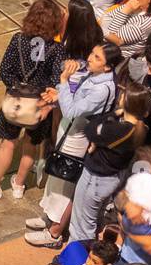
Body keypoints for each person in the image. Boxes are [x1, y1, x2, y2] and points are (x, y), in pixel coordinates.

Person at [0, 0, 66, 201]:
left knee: (9, 143)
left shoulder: (18, 40)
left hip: (17, 101)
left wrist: (18, 87)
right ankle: (19, 184)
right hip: (40, 104)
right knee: (31, 144)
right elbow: (56, 81)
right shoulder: (57, 49)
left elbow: (4, 71)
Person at [24, 42, 122, 248]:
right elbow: (75, 95)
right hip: (68, 133)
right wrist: (61, 91)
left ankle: (54, 233)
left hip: (77, 139)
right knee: (56, 181)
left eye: (97, 57)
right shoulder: (93, 75)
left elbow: (73, 110)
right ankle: (48, 218)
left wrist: (63, 82)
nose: (90, 58)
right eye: (92, 53)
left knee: (65, 186)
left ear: (107, 67)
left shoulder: (103, 89)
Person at [68, 89, 150, 242]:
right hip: (112, 179)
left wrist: (112, 115)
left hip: (95, 180)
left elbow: (90, 129)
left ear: (127, 102)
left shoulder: (119, 129)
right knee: (96, 219)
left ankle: (76, 262)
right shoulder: (141, 128)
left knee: (81, 228)